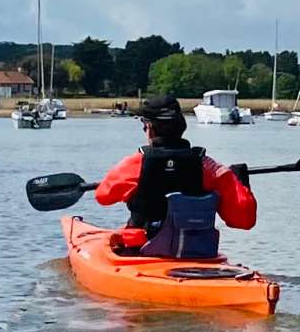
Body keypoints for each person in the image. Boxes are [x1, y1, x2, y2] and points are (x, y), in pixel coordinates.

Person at [97, 96, 257, 235]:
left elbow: (103, 196)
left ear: (150, 128)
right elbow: (244, 220)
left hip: (142, 251)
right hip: (195, 252)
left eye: (144, 123)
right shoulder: (209, 167)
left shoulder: (135, 164)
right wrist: (240, 183)